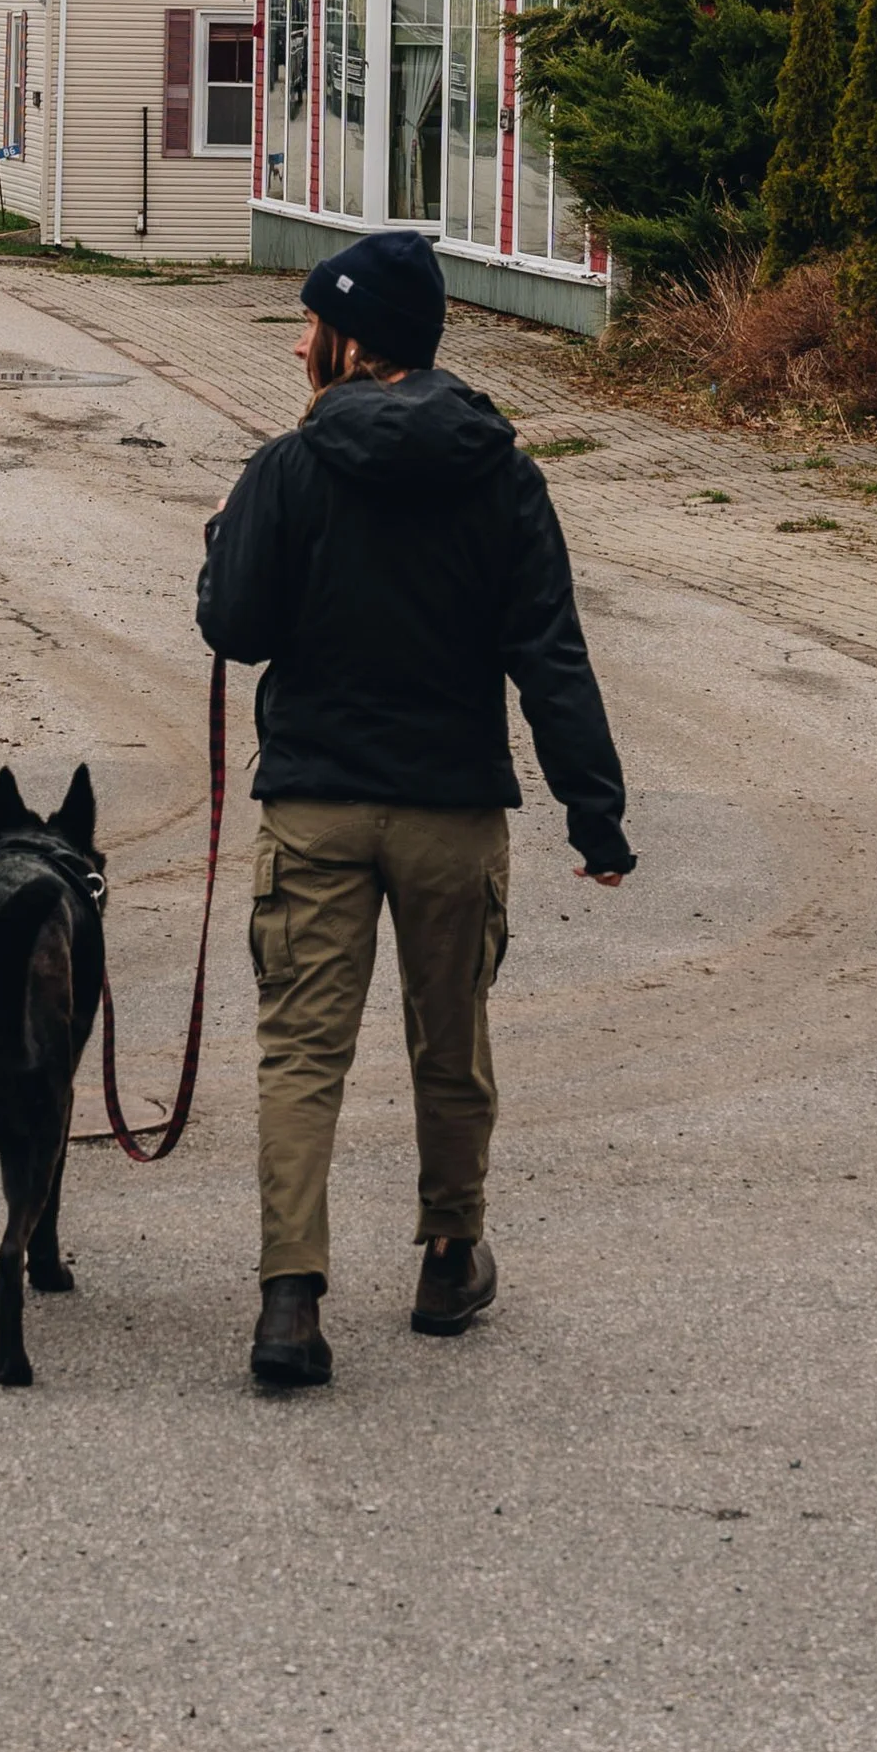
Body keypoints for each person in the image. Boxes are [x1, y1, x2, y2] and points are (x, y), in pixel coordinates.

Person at [197, 227, 635, 1390]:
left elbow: (233, 628)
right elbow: (549, 655)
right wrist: (597, 817)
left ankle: (290, 1303)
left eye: (310, 322)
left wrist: (223, 549)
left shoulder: (288, 469)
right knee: (451, 1045)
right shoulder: (501, 473)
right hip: (451, 812)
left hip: (317, 807)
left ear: (354, 340)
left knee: (301, 1053)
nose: (296, 343)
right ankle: (450, 1256)